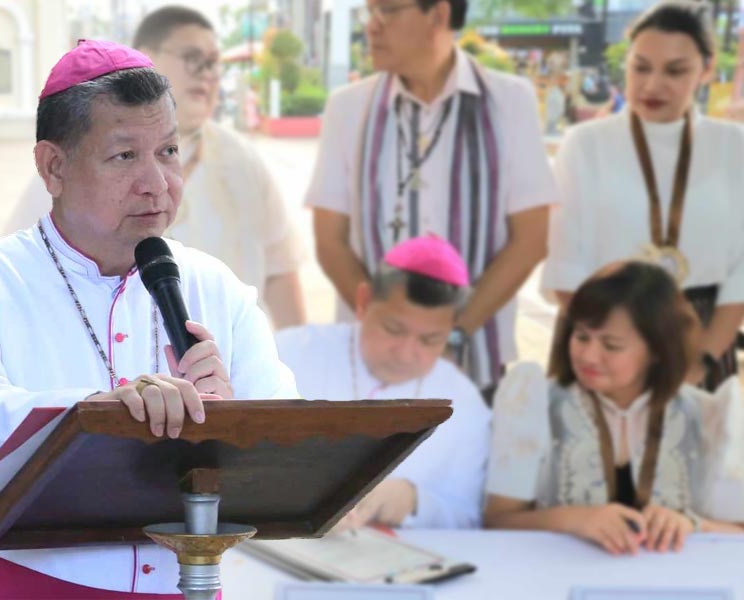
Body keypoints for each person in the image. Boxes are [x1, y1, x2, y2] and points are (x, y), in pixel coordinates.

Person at [0, 39, 298, 598]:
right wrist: (109, 415)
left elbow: (290, 453)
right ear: (53, 166)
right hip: (21, 583)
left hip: (186, 583)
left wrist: (226, 424)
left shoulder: (218, 288)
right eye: (125, 156)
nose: (157, 182)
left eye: (168, 151)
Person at [306, 0, 556, 393]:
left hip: (473, 363)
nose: (371, 26)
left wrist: (448, 336)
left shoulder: (509, 101)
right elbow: (330, 241)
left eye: (387, 10)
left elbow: (530, 239)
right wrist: (390, 331)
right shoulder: (348, 108)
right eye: (369, 13)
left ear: (438, 15)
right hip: (370, 367)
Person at [3, 6, 307, 329]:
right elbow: (19, 281)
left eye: (168, 151)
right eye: (124, 155)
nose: (207, 73)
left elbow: (280, 275)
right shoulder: (67, 183)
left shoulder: (244, 162)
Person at [542, 1, 744, 392]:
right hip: (598, 338)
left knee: (693, 432)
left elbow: (741, 274)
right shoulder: (585, 144)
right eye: (641, 68)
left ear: (705, 70)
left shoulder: (734, 147)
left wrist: (701, 360)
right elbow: (564, 264)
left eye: (675, 70)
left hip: (700, 338)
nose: (653, 85)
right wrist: (610, 350)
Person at [485, 262, 744, 555]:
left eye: (611, 345)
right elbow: (497, 521)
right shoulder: (534, 405)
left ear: (657, 350)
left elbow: (738, 532)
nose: (589, 356)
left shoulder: (708, 416)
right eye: (581, 336)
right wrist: (574, 519)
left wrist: (691, 524)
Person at [277, 236, 489, 529]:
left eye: (430, 340)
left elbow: (468, 517)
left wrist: (414, 501)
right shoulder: (288, 355)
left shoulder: (464, 403)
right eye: (393, 329)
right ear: (364, 302)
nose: (406, 353)